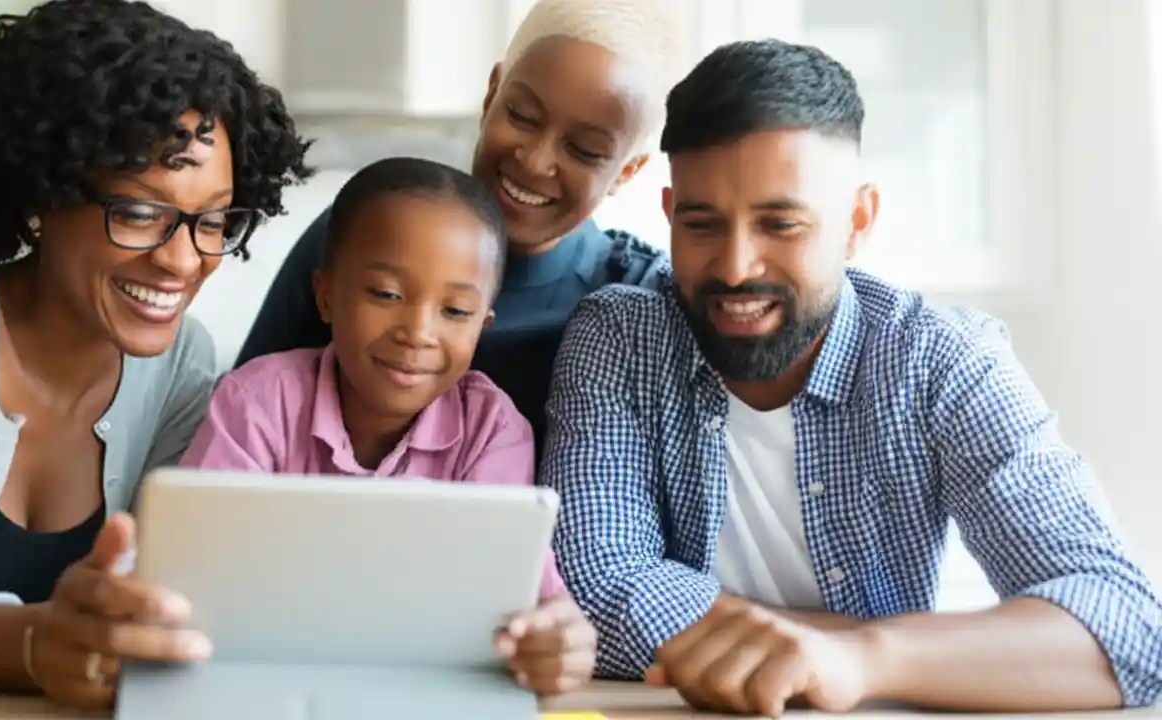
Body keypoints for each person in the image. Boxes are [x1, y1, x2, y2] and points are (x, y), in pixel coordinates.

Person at [542, 39, 1162, 715]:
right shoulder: (619, 337)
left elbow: (1128, 625)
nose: (738, 266)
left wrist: (864, 658)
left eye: (781, 224)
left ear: (856, 221)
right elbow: (597, 590)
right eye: (702, 224)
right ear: (668, 215)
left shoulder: (943, 359)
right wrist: (891, 647)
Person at [0, 0, 310, 710]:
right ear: (41, 194)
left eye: (212, 222)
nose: (183, 260)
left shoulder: (182, 370)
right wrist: (31, 642)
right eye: (140, 212)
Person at [180, 157, 596, 696]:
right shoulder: (257, 402)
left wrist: (559, 637)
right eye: (386, 295)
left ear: (483, 326)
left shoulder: (493, 431)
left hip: (432, 693)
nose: (418, 333)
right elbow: (197, 569)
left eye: (455, 311)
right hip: (261, 684)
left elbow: (527, 595)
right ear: (326, 294)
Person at [236, 0, 682, 449]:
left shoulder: (640, 303)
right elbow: (240, 419)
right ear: (491, 96)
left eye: (584, 150)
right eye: (522, 117)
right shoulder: (367, 231)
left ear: (626, 172)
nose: (535, 161)